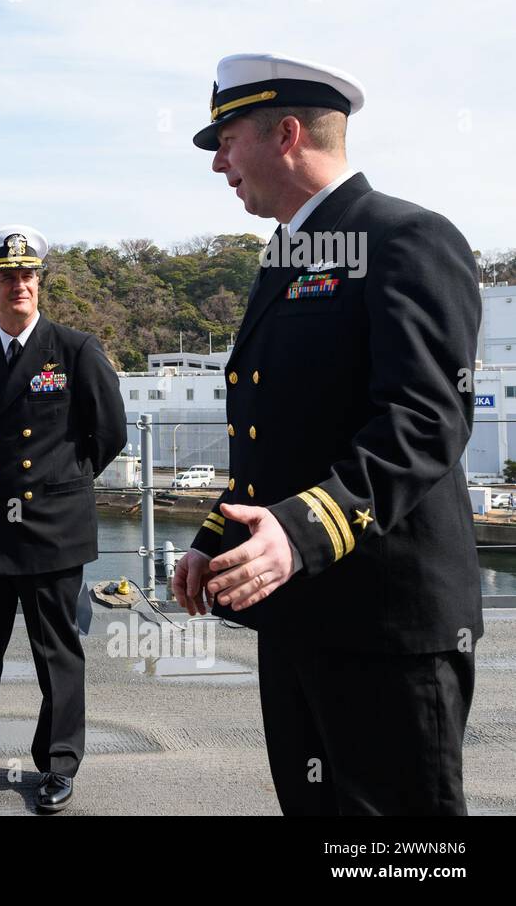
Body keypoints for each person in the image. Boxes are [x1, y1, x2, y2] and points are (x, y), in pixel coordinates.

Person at [173, 53, 483, 815]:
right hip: (301, 609)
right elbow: (283, 433)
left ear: (285, 133)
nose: (218, 163)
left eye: (227, 139)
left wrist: (299, 533)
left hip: (386, 624)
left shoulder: (408, 236)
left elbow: (424, 420)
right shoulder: (287, 255)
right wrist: (217, 535)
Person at [0, 225, 127, 812]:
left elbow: (108, 433)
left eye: (29, 275)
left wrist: (60, 485)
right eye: (8, 276)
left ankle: (59, 764)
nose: (20, 284)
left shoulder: (76, 349)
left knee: (57, 652)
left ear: (39, 284)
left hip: (52, 526)